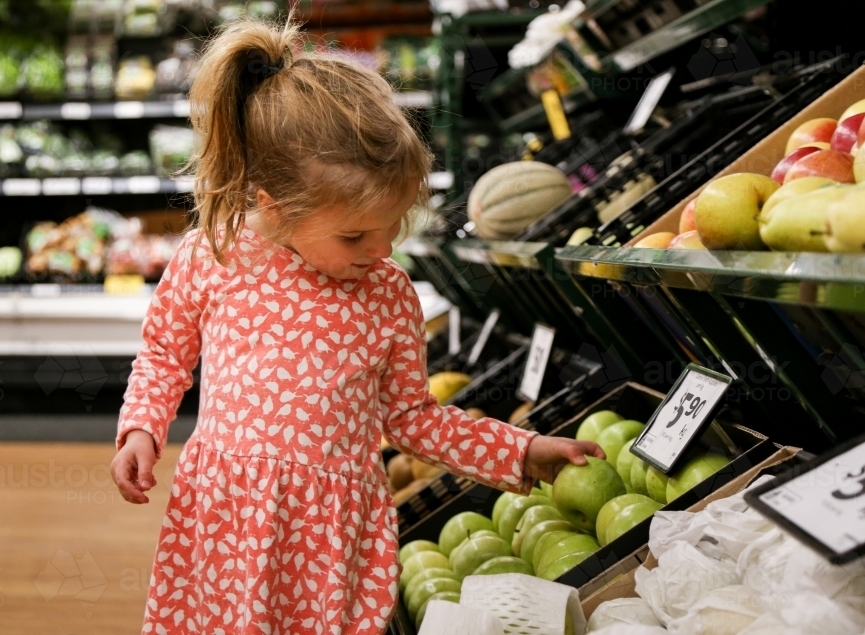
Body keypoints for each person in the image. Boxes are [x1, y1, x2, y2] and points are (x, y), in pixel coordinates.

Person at [109, 16, 604, 635]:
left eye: (394, 227)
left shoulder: (387, 295)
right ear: (272, 203)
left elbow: (412, 417)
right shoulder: (216, 256)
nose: (381, 249)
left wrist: (520, 450)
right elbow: (164, 354)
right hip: (229, 517)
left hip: (330, 538)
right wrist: (142, 428)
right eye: (356, 234)